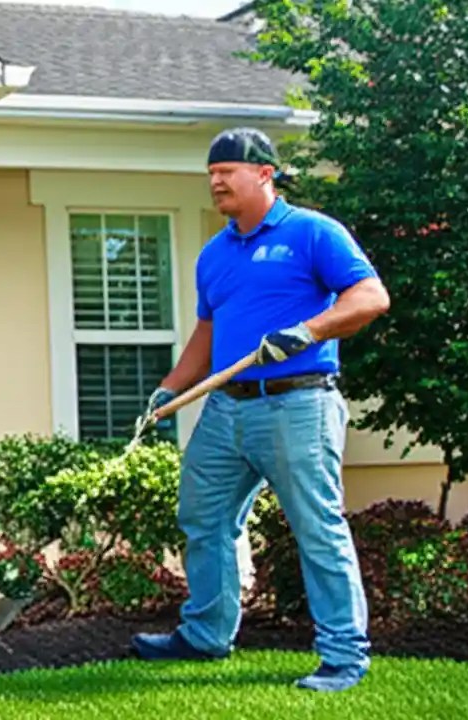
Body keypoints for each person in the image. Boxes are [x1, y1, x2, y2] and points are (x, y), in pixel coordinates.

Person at [131, 128, 390, 692]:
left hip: (298, 404)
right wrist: (170, 388)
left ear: (265, 174)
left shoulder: (312, 232)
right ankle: (204, 635)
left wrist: (307, 332)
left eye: (227, 171)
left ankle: (344, 656)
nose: (216, 181)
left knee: (316, 528)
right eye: (211, 174)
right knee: (204, 519)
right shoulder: (215, 253)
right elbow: (208, 331)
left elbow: (370, 297)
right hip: (226, 410)